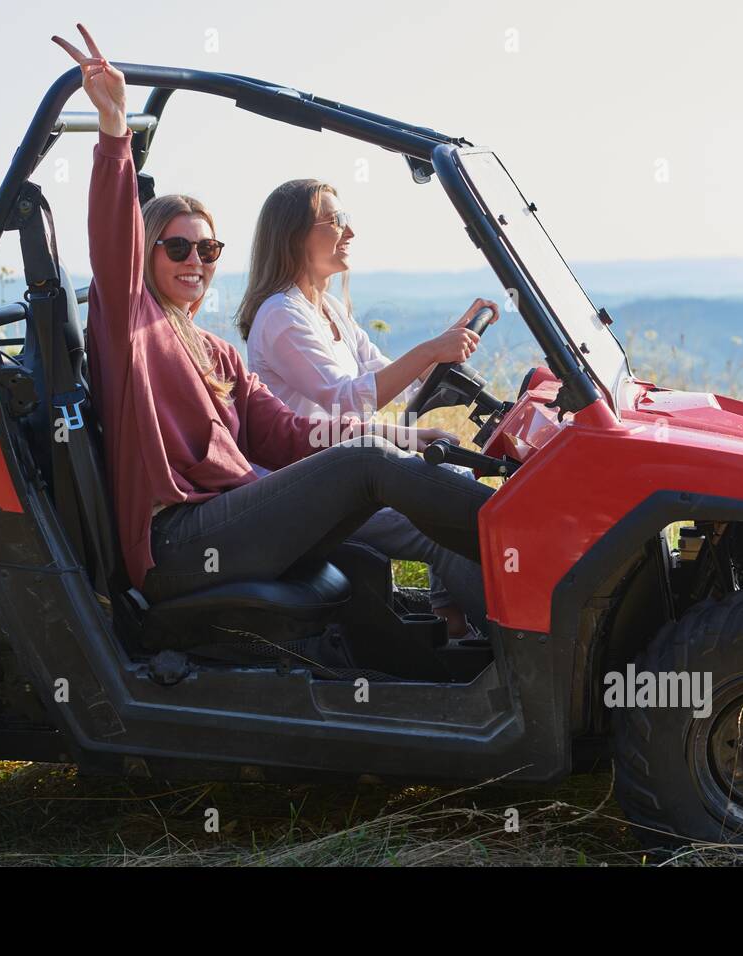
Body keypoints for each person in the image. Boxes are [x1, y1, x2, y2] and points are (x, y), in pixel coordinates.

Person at [52, 25, 494, 607]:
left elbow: (290, 435)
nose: (195, 261)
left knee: (368, 461)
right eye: (177, 248)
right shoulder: (130, 325)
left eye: (207, 250)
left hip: (241, 513)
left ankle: (500, 609)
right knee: (365, 465)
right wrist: (114, 129)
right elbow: (114, 245)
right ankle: (514, 529)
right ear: (147, 253)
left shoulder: (218, 354)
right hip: (180, 538)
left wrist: (401, 439)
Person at [239, 179, 498, 635]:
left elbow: (385, 377)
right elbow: (345, 397)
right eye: (336, 221)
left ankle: (451, 623)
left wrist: (443, 349)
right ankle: (510, 642)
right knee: (443, 521)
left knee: (454, 481)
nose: (349, 233)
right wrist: (429, 350)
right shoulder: (281, 316)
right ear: (295, 235)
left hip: (347, 472)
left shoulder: (329, 310)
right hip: (309, 492)